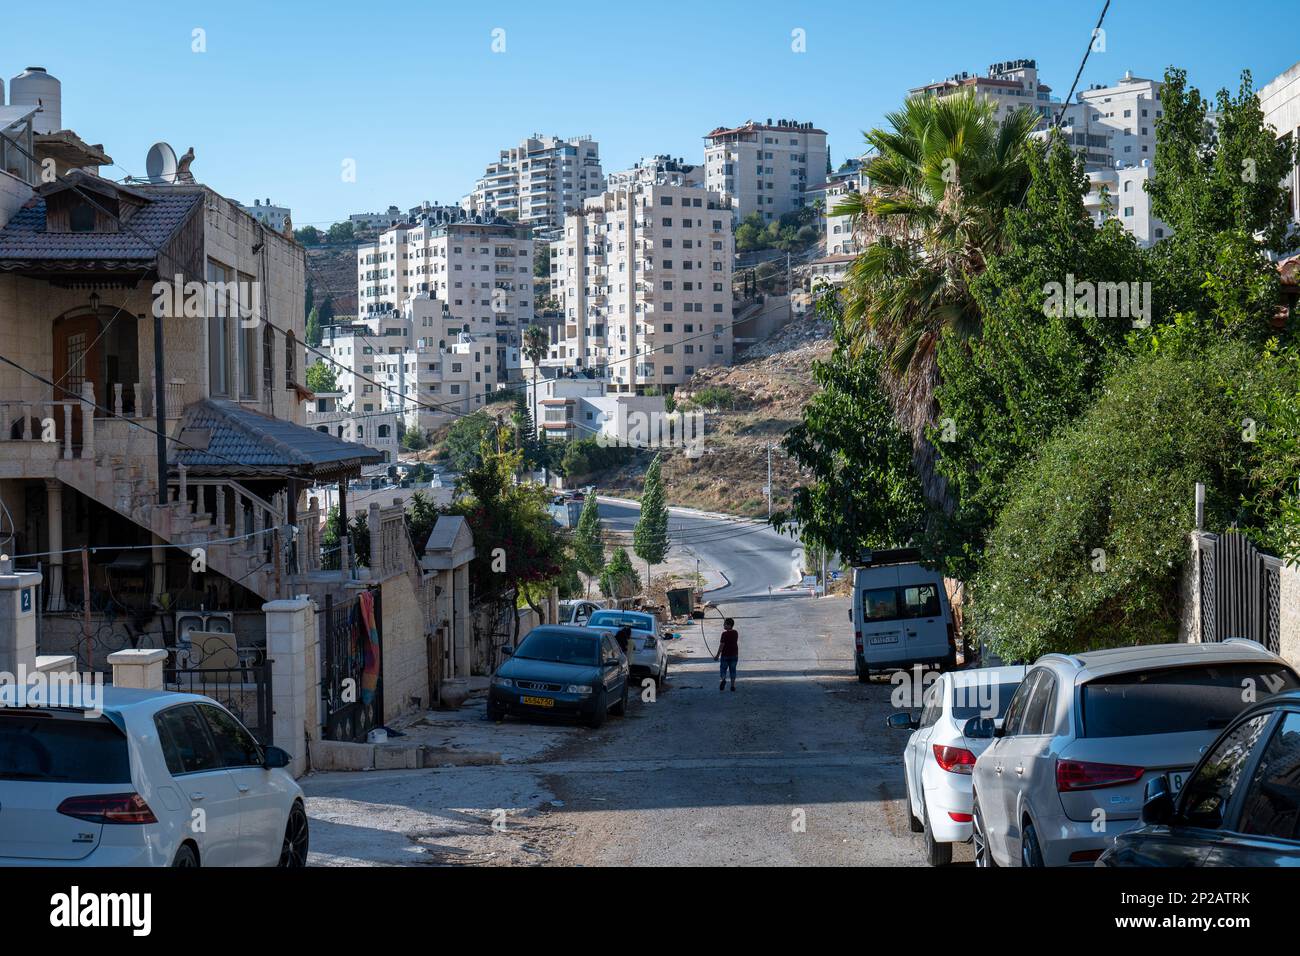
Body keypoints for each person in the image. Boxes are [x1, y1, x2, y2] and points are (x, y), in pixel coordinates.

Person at [715, 617, 739, 692]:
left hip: (725, 655)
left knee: (723, 669)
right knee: (733, 670)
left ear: (729, 625)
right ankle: (732, 686)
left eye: (725, 624)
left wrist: (717, 655)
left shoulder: (724, 634)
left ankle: (723, 679)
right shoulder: (735, 633)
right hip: (734, 655)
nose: (723, 626)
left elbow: (722, 645)